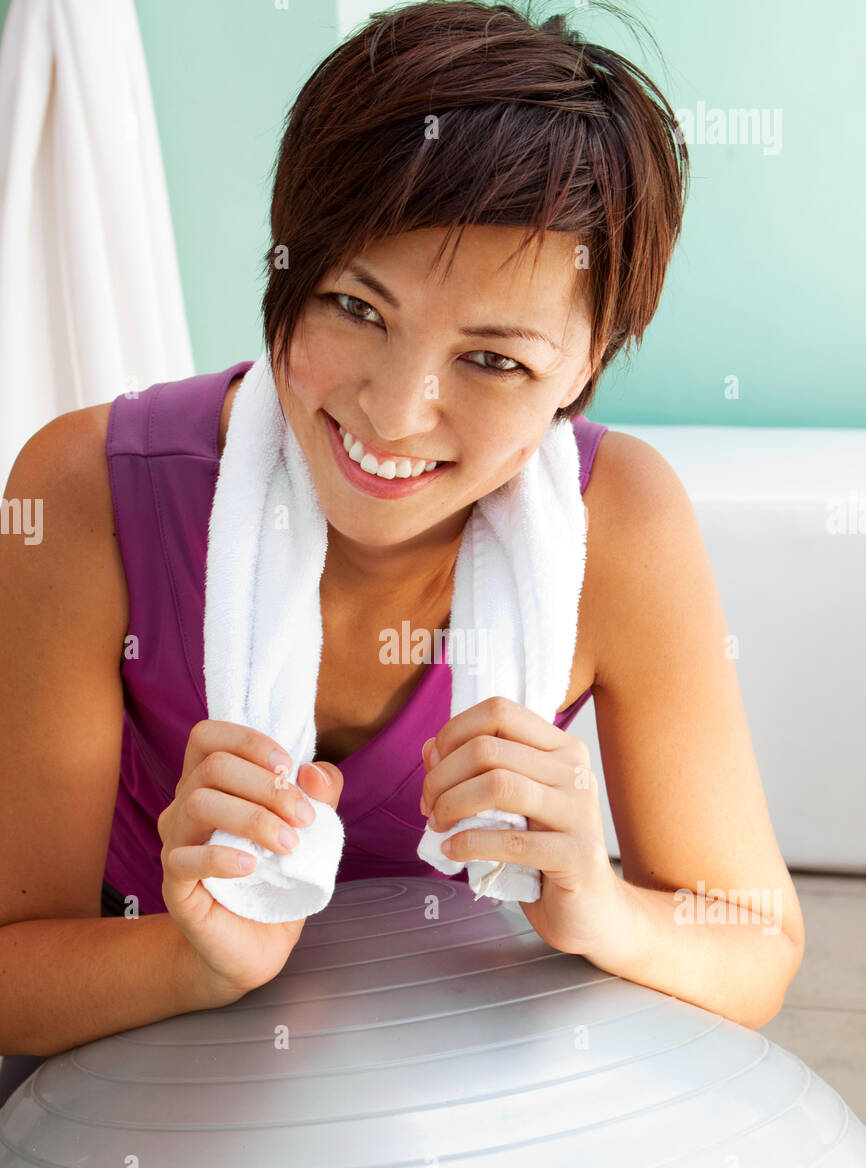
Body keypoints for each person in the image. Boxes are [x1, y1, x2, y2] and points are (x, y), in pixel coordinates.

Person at [0, 1, 804, 1095]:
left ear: (582, 369)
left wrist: (598, 904)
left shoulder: (621, 520)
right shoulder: (85, 490)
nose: (396, 411)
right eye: (351, 304)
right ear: (284, 258)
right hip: (136, 1110)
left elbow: (754, 939)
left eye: (493, 361)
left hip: (459, 1101)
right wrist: (194, 956)